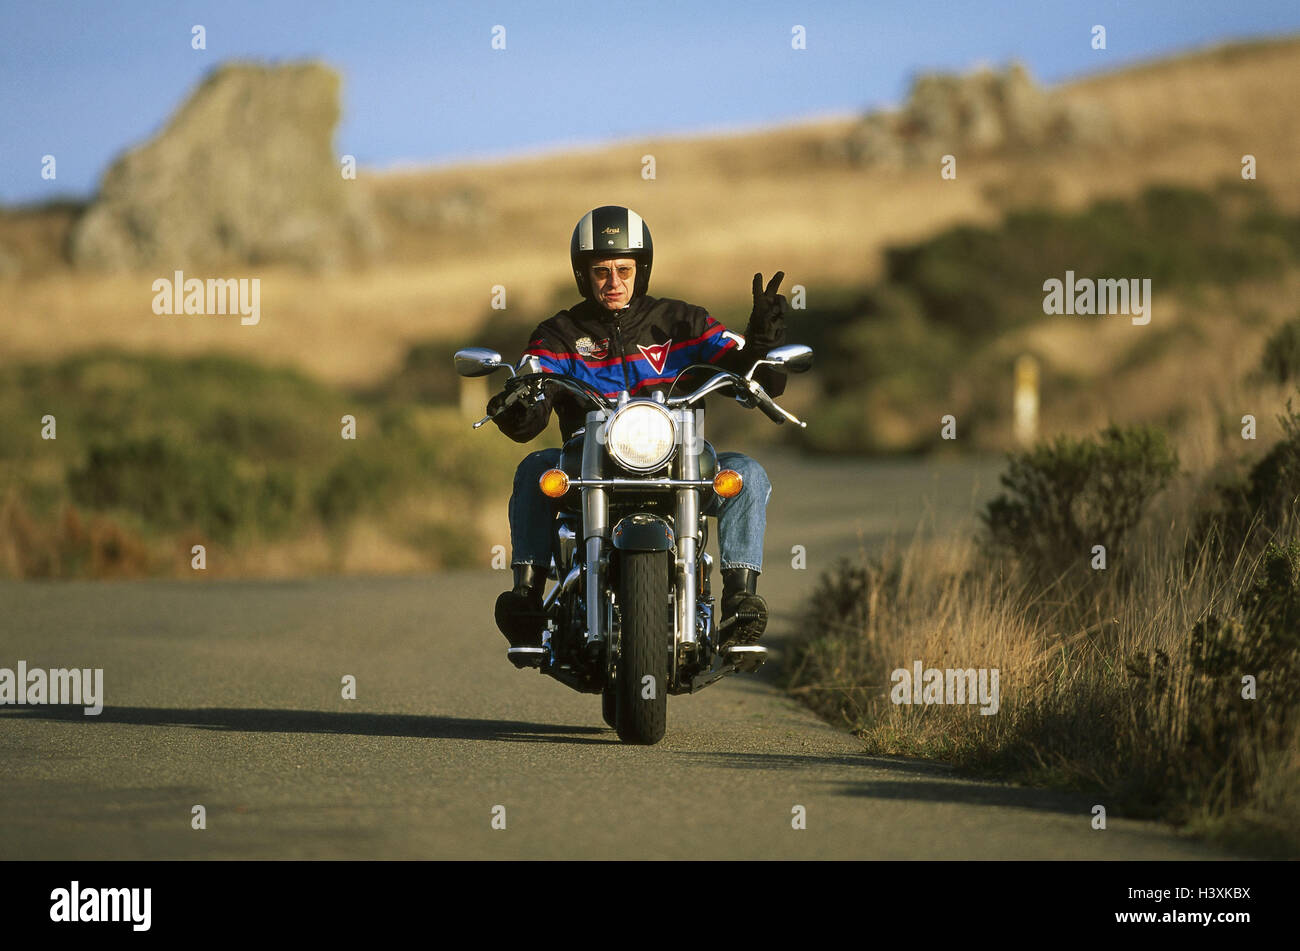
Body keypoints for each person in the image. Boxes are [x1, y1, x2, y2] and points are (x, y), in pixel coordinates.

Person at [487, 204, 789, 655]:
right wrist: (516, 400)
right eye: (602, 271)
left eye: (624, 270)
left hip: (679, 459)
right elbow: (529, 406)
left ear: (641, 270)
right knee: (535, 468)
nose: (613, 282)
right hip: (588, 463)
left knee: (747, 473)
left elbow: (759, 378)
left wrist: (762, 344)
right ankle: (527, 596)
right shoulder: (560, 333)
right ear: (582, 274)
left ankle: (740, 598)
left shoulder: (684, 321)